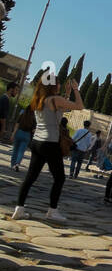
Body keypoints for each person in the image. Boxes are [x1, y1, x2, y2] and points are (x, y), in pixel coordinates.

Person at [13, 75, 83, 222]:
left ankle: (19, 208)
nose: (59, 85)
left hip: (37, 141)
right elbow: (79, 106)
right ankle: (52, 210)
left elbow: (60, 110)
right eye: (57, 83)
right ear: (52, 86)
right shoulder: (54, 100)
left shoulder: (39, 99)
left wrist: (67, 93)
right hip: (50, 143)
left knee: (30, 177)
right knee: (59, 178)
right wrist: (76, 90)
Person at [11, 102, 35, 169]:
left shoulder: (22, 115)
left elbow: (17, 125)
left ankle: (12, 164)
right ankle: (17, 164)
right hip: (27, 135)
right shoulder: (33, 119)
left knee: (15, 150)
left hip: (19, 133)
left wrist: (13, 134)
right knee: (21, 151)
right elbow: (33, 130)